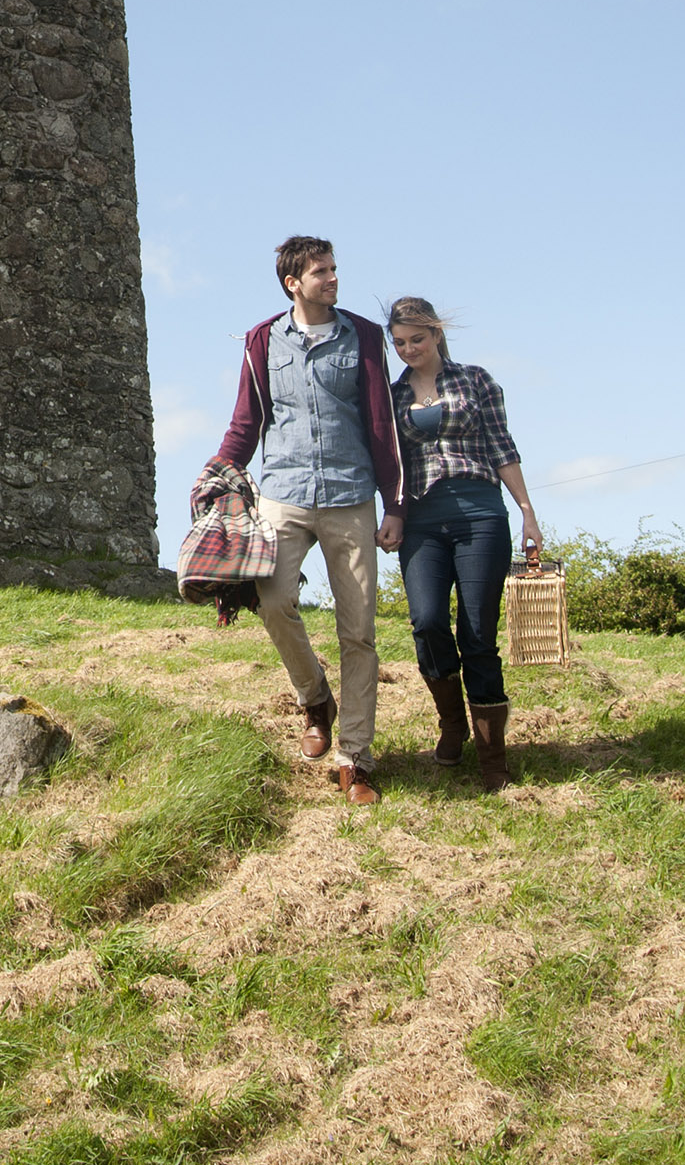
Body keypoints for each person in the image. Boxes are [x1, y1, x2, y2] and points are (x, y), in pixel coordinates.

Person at [214, 236, 403, 807]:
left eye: (335, 269)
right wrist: (219, 469)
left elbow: (381, 423)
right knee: (272, 601)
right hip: (283, 493)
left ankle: (357, 758)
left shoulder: (364, 337)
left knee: (359, 631)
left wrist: (394, 503)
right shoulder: (260, 342)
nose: (333, 279)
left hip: (350, 495)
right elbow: (247, 422)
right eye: (321, 272)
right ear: (293, 282)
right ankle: (313, 697)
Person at [387, 296, 542, 793]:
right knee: (427, 621)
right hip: (422, 520)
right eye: (400, 343)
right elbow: (388, 464)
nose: (409, 349)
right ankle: (452, 722)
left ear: (436, 334)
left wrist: (526, 511)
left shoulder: (476, 380)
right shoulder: (391, 397)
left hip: (480, 514)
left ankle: (493, 757)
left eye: (417, 339)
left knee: (478, 634)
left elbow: (502, 446)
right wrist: (390, 513)